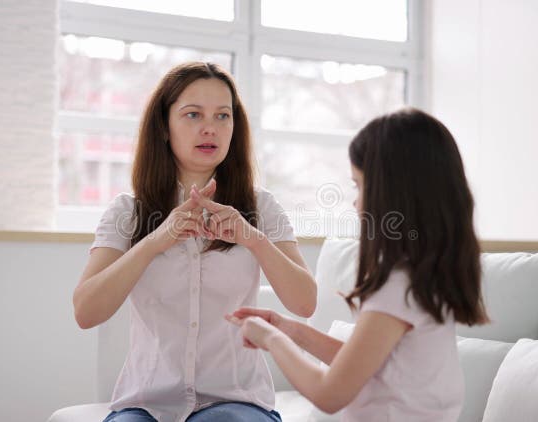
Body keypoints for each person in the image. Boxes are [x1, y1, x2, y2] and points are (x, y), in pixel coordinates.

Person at [73, 62, 317, 422]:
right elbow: (86, 311)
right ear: (164, 127)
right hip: (145, 405)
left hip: (236, 401)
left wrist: (254, 240)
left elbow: (305, 303)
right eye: (193, 114)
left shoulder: (261, 206)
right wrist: (154, 241)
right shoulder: (128, 211)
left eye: (223, 116)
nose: (210, 127)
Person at [227, 108, 489, 421]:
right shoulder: (423, 279)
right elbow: (367, 366)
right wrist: (291, 330)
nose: (356, 202)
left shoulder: (398, 289)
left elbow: (329, 394)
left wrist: (271, 339)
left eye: (360, 185)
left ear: (393, 192)